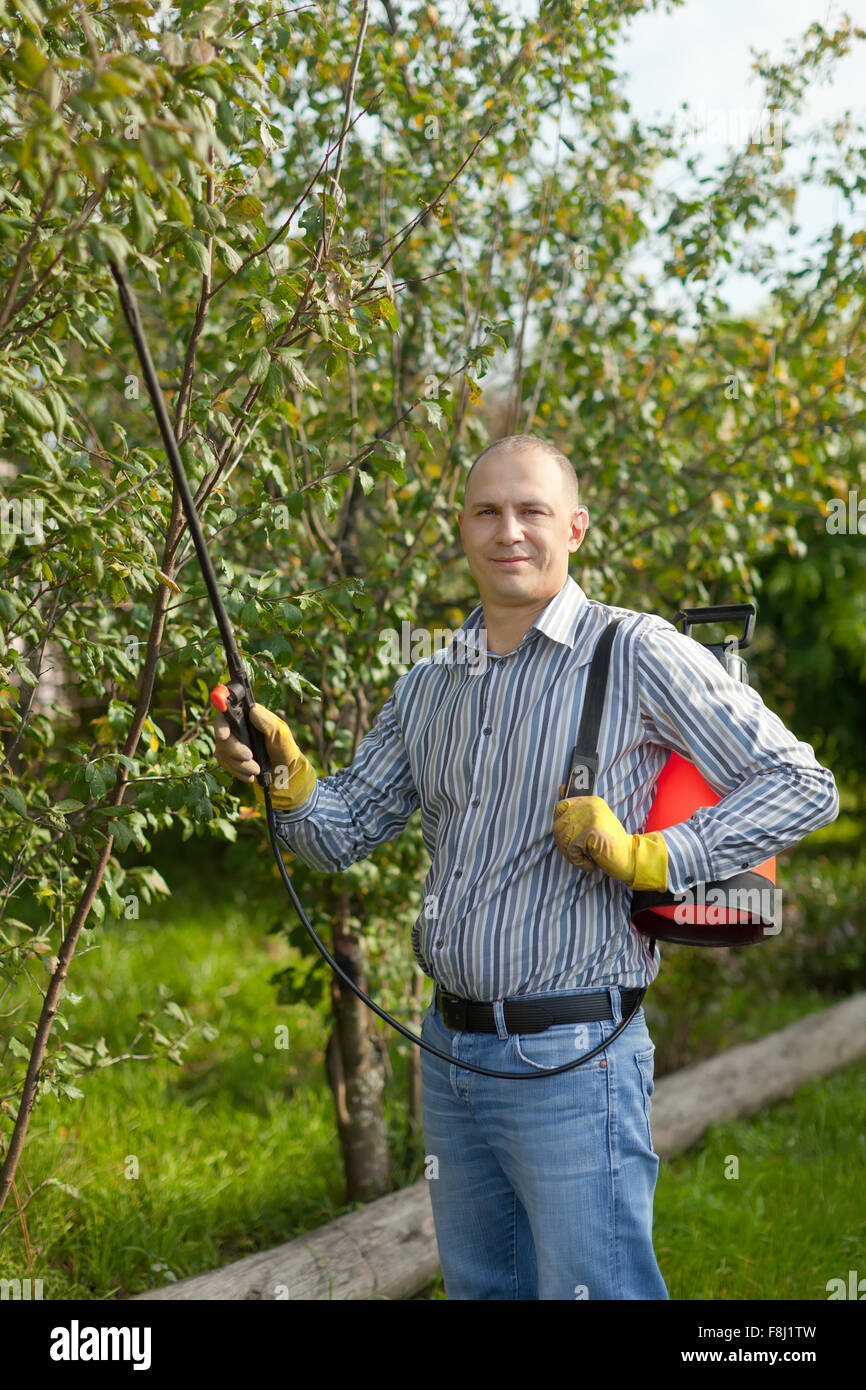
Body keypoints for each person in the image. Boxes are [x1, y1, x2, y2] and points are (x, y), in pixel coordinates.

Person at [212, 433, 840, 1300]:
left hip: (574, 1058)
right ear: (462, 529)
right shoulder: (429, 685)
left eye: (532, 510)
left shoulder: (635, 653)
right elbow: (340, 833)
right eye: (488, 511)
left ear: (573, 527)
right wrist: (282, 772)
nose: (510, 530)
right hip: (449, 1053)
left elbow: (802, 785)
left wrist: (651, 856)